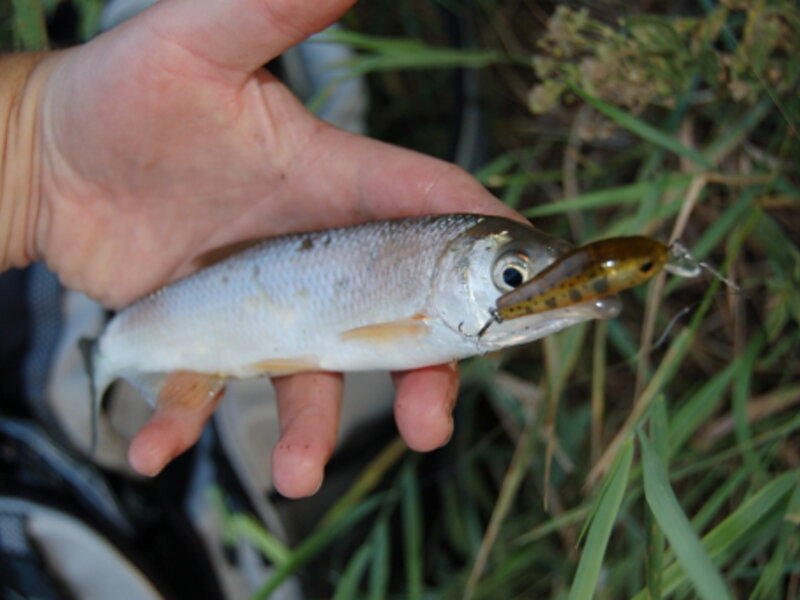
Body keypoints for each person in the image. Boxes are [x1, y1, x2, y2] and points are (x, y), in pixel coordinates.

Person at [0, 0, 520, 498]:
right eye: (511, 278)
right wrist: (28, 137)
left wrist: (29, 140)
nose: (519, 289)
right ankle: (108, 360)